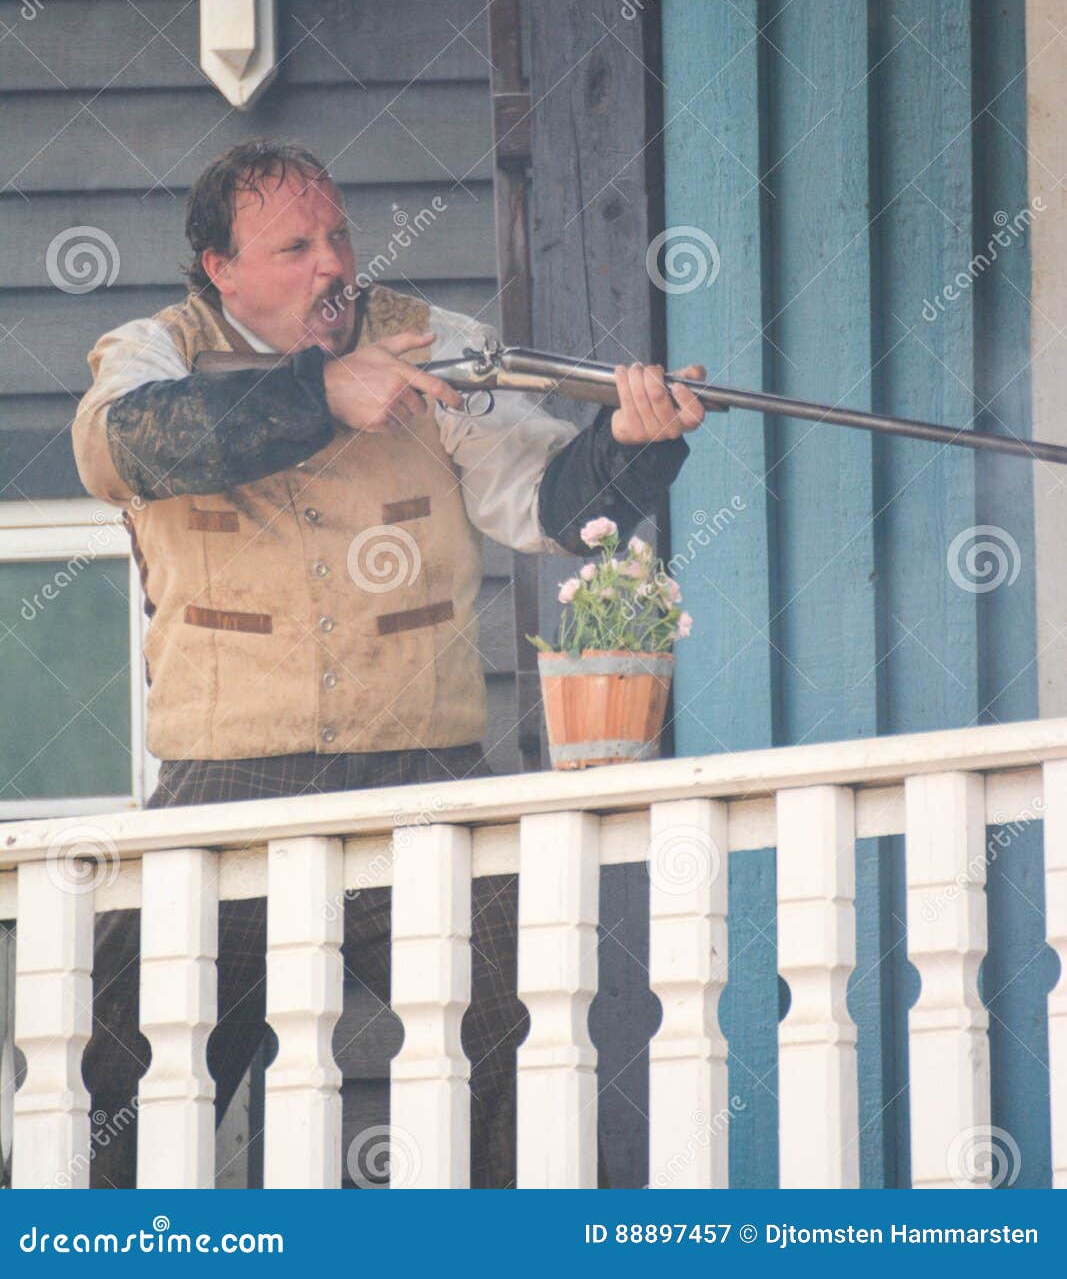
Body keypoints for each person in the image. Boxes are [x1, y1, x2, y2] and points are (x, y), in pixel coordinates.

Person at [72, 139, 707, 1188]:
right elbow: (118, 450)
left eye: (337, 237)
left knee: (525, 1034)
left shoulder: (435, 341)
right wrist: (319, 392)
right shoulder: (152, 352)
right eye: (293, 246)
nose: (331, 264)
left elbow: (550, 505)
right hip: (224, 787)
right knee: (126, 1083)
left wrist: (635, 443)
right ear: (218, 268)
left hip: (425, 777)